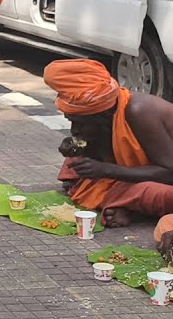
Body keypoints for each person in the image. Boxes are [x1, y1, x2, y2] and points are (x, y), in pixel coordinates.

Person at [44, 59, 173, 228]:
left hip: (167, 175)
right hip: (145, 171)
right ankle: (124, 202)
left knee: (155, 193)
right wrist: (77, 147)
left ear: (102, 116)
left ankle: (132, 208)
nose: (74, 129)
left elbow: (169, 172)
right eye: (71, 122)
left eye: (81, 123)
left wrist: (106, 170)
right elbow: (111, 149)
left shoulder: (138, 111)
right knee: (75, 161)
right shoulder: (109, 112)